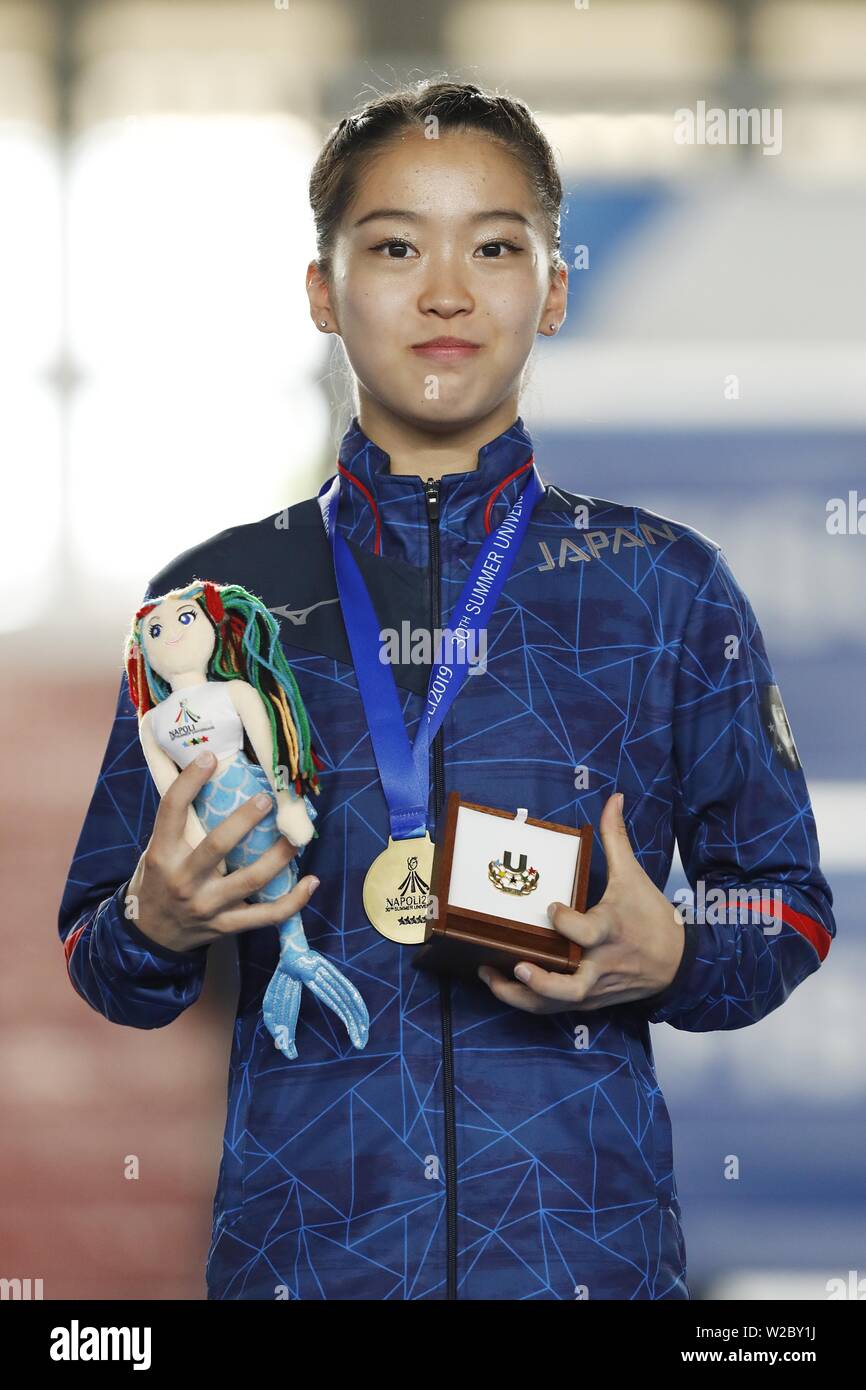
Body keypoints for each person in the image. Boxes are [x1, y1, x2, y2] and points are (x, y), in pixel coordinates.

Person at [58, 78, 835, 1301]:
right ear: (322, 289)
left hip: (584, 1262)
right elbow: (101, 958)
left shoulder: (664, 587)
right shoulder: (211, 603)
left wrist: (675, 949)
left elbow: (787, 909)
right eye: (393, 246)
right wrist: (155, 925)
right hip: (303, 1266)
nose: (444, 291)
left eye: (493, 246)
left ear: (554, 286)